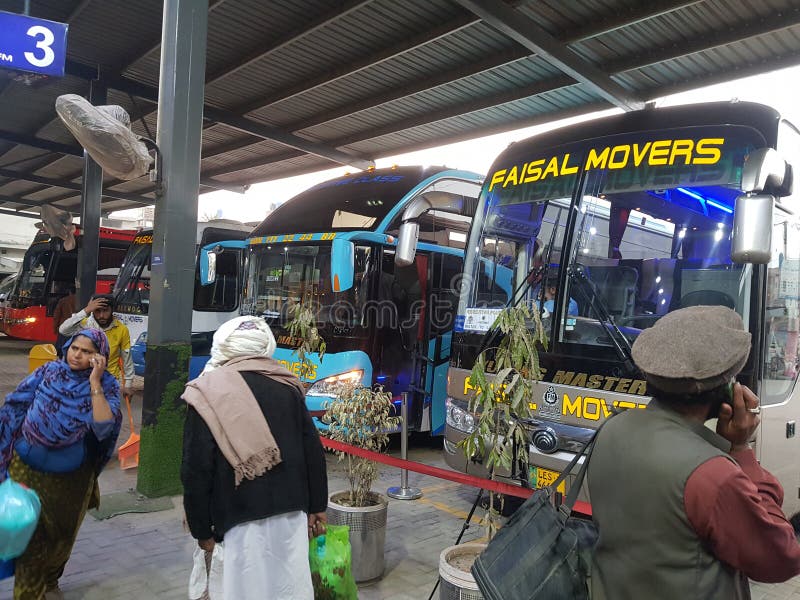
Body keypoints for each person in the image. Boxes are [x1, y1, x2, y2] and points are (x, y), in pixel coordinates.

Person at [588, 306, 800, 600]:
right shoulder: (712, 474)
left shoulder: (612, 429)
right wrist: (741, 449)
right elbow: (783, 558)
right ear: (727, 389)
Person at [181, 316, 328, 600]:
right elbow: (313, 450)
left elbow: (196, 469)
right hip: (291, 515)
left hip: (237, 521)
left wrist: (201, 530)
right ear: (266, 346)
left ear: (223, 346)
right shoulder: (288, 386)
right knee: (288, 587)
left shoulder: (206, 392)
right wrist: (317, 506)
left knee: (243, 590)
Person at [0, 329, 121, 600]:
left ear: (98, 357)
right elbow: (16, 404)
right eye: (74, 348)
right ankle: (30, 593)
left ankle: (51, 579)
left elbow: (103, 428)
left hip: (68, 481)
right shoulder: (48, 372)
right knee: (31, 541)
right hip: (24, 470)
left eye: (87, 351)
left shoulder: (107, 386)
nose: (77, 355)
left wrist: (95, 382)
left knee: (61, 539)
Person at [59, 294, 134, 396]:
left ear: (112, 310)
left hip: (109, 381)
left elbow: (127, 358)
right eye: (97, 311)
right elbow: (63, 330)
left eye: (106, 311)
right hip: (84, 381)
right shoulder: (84, 324)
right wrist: (86, 310)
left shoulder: (122, 329)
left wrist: (128, 385)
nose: (101, 315)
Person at [51, 286, 76, 359]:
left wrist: (55, 328)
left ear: (69, 292)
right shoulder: (82, 300)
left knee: (62, 347)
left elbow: (57, 316)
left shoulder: (63, 301)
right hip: (76, 327)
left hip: (64, 326)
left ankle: (62, 361)